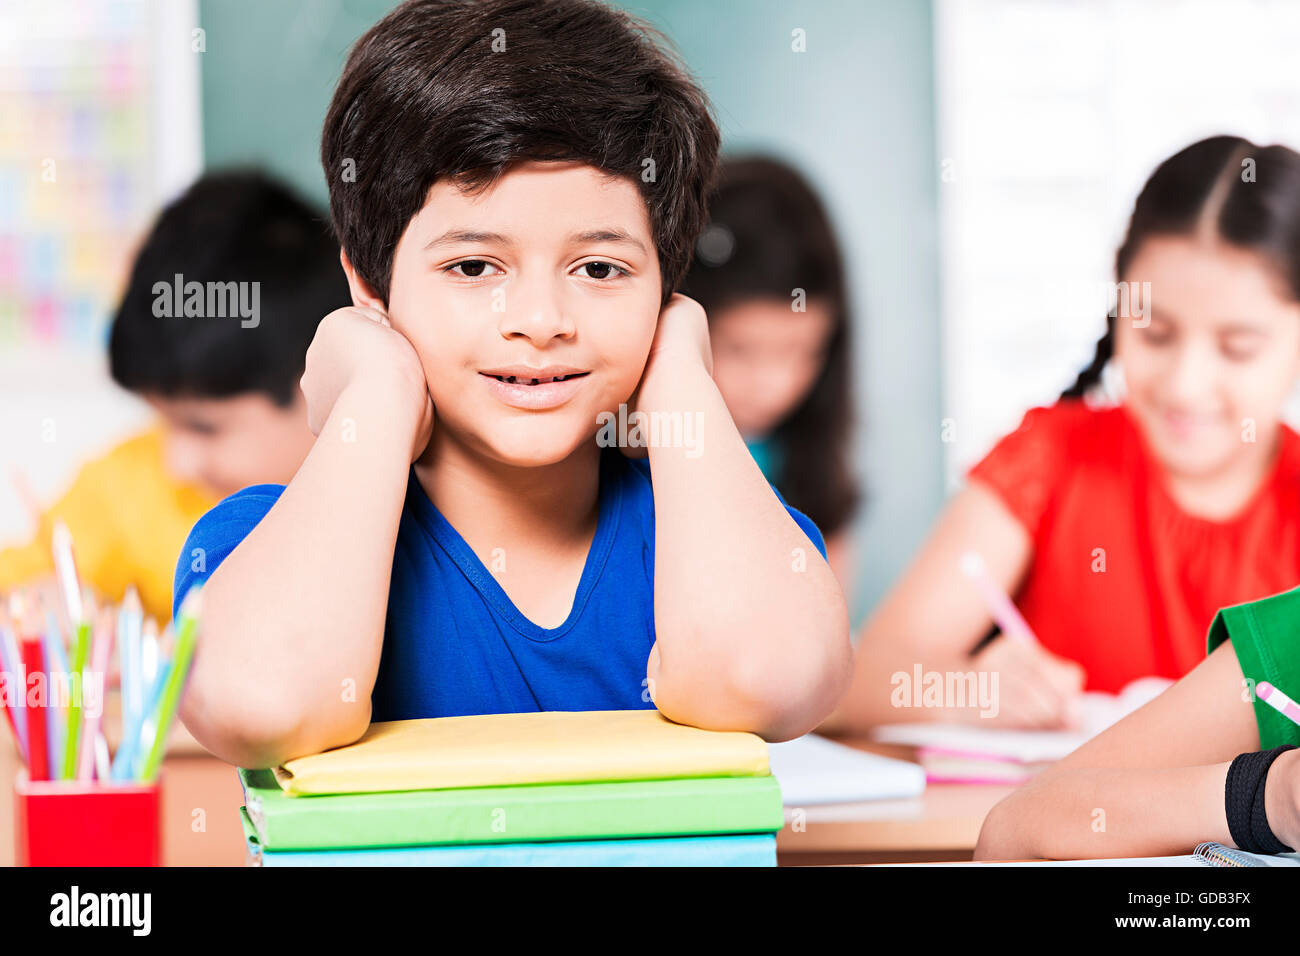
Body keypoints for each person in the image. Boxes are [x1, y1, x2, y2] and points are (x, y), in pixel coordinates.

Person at [175, 0, 852, 770]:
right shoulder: (257, 546)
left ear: (666, 291)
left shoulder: (721, 535)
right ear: (368, 286)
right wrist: (378, 391)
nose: (539, 320)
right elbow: (262, 704)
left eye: (601, 270)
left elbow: (765, 680)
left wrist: (679, 377)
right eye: (473, 267)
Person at [827, 135, 1300, 731]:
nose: (1185, 384)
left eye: (1238, 348)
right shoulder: (1050, 459)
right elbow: (853, 677)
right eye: (1153, 333)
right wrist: (966, 692)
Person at [0, 171, 346, 622]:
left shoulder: (408, 513)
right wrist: (34, 607)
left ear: (326, 380)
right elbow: (18, 589)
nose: (175, 463)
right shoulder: (127, 488)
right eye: (162, 419)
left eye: (203, 426)